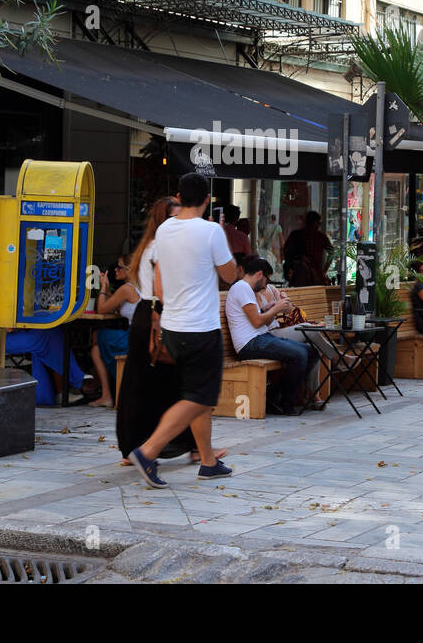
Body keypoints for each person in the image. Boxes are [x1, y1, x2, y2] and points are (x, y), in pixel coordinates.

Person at [129, 173, 238, 488]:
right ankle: (148, 451)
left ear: (179, 196)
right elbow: (230, 275)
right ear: (207, 200)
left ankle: (207, 461)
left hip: (172, 328)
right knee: (200, 397)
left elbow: (161, 282)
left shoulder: (164, 230)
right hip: (201, 328)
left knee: (196, 391)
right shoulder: (211, 231)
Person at [116, 196, 198, 465]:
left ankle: (134, 447)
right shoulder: (165, 248)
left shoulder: (148, 246)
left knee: (140, 384)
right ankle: (194, 447)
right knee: (181, 384)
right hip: (160, 317)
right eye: (177, 217)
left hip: (146, 316)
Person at [224, 257, 318, 415]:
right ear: (260, 274)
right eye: (267, 280)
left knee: (311, 352)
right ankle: (285, 403)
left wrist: (269, 307)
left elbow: (256, 316)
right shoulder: (242, 288)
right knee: (300, 354)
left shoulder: (245, 288)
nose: (266, 285)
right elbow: (256, 322)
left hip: (261, 339)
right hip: (250, 344)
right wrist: (277, 309)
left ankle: (274, 394)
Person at [88, 256, 139, 407]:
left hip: (133, 338)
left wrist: (103, 287)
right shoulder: (135, 287)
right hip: (138, 336)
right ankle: (106, 395)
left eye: (119, 267)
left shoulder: (127, 289)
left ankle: (101, 385)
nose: (115, 270)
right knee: (96, 350)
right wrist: (109, 288)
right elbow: (115, 305)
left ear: (129, 270)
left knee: (98, 334)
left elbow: (102, 308)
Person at [282, 211, 333, 287]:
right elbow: (332, 253)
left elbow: (286, 251)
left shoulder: (296, 235)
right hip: (314, 275)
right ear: (315, 223)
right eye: (319, 223)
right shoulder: (320, 237)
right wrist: (323, 271)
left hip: (301, 276)